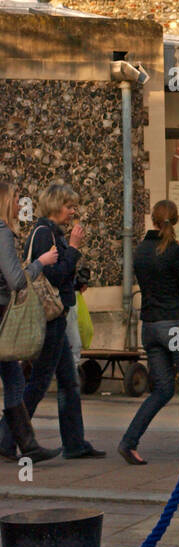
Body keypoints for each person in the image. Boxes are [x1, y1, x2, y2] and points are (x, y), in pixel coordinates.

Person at [0, 182, 104, 460]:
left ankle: (74, 443)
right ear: (58, 207)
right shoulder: (44, 233)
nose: (73, 212)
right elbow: (53, 275)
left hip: (59, 314)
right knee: (38, 380)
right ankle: (8, 438)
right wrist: (73, 248)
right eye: (70, 206)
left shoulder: (47, 231)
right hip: (50, 317)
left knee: (67, 382)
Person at [119, 200, 179, 465]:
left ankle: (129, 441)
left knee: (163, 389)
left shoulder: (140, 251)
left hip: (151, 327)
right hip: (175, 325)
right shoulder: (174, 252)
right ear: (174, 221)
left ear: (153, 220)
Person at [0, 180, 61, 462]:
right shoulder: (1, 231)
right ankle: (25, 444)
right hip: (2, 316)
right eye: (15, 199)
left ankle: (22, 444)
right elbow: (15, 280)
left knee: (13, 380)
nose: (19, 205)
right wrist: (41, 263)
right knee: (13, 382)